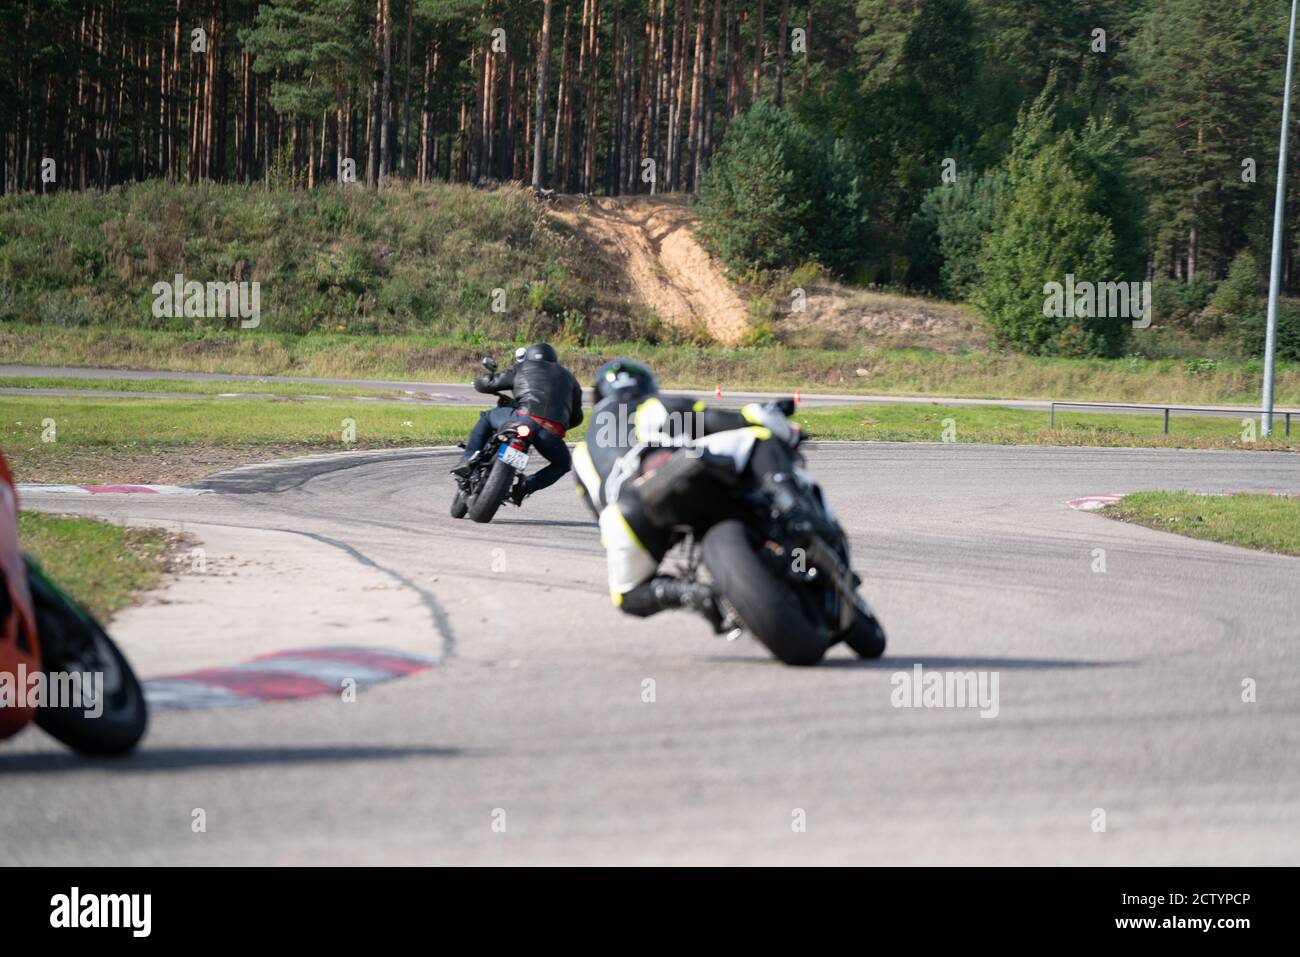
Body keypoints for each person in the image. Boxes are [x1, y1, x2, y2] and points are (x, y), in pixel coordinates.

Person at [571, 358, 808, 626]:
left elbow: (599, 511)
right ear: (648, 386)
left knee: (627, 595)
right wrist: (761, 419)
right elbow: (717, 421)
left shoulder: (580, 453)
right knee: (757, 436)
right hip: (674, 472)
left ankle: (692, 594)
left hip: (626, 511)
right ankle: (792, 507)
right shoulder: (651, 405)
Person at [453, 342, 584, 504]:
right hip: (550, 432)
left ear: (528, 357)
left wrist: (478, 382)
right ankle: (525, 487)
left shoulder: (523, 367)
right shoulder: (570, 378)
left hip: (523, 418)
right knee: (563, 464)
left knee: (487, 417)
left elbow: (492, 382)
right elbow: (577, 417)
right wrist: (556, 425)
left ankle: (468, 458)